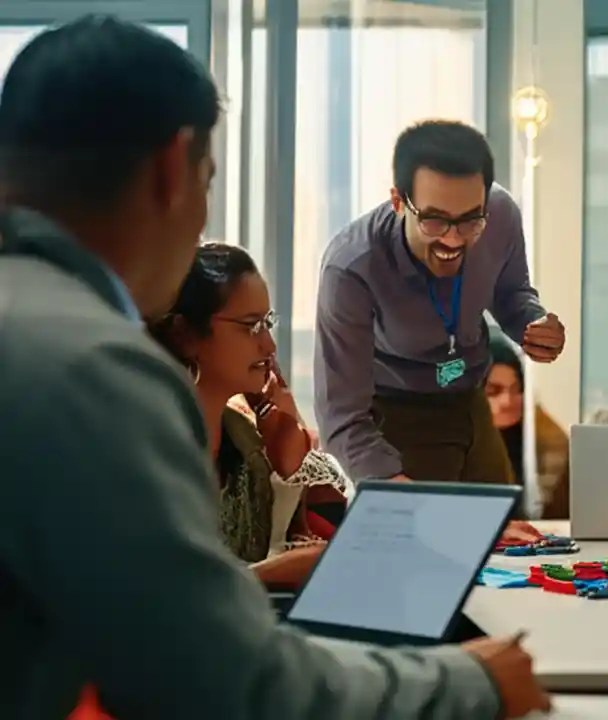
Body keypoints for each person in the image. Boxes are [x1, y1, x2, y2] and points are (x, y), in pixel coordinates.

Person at [0, 16, 548, 718]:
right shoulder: (97, 370)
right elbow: (221, 677)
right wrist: (470, 685)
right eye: (208, 181)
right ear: (173, 168)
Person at [315, 121, 564, 507]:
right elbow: (340, 414)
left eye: (470, 220)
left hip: (471, 399)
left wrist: (531, 324)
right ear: (399, 202)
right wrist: (390, 485)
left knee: (505, 531)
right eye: (434, 220)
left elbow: (511, 292)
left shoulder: (500, 215)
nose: (453, 238)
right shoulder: (352, 267)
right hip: (397, 412)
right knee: (431, 537)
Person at [149, 243, 351, 589]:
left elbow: (323, 533)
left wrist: (288, 452)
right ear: (185, 335)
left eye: (267, 323)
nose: (269, 346)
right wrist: (266, 575)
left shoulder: (246, 440)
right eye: (250, 326)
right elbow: (159, 587)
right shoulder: (150, 443)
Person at [486, 336, 571, 519]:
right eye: (492, 391)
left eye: (517, 389)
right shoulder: (453, 446)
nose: (507, 401)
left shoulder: (548, 443)